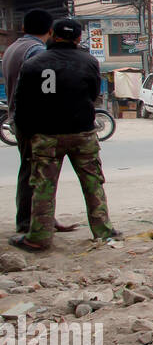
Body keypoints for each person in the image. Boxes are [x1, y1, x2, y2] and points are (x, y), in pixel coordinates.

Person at [9, 18, 119, 251]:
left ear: (53, 35)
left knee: (43, 187)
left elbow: (22, 102)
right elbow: (92, 95)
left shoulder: (33, 63)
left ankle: (39, 236)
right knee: (93, 184)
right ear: (79, 38)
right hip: (82, 133)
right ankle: (103, 230)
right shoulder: (89, 61)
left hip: (46, 135)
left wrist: (28, 133)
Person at [2, 9, 76, 238]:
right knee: (40, 174)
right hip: (34, 121)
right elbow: (44, 89)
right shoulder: (37, 51)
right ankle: (30, 222)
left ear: (24, 27)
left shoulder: (13, 48)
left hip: (18, 117)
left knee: (30, 171)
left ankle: (35, 219)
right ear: (50, 31)